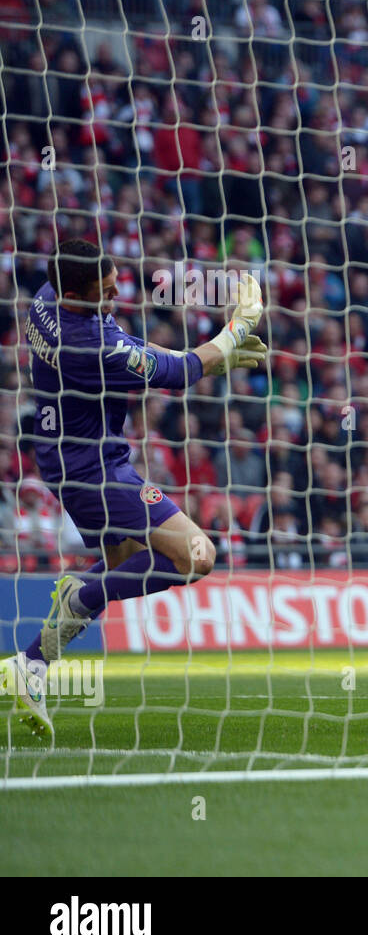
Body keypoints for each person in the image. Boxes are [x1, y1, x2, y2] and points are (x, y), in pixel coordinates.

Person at [3, 238, 266, 738]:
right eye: (105, 290)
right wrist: (236, 330)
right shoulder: (88, 344)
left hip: (66, 457)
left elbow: (140, 351)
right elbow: (176, 371)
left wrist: (215, 359)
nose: (116, 294)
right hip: (96, 470)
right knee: (196, 555)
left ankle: (31, 664)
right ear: (77, 295)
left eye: (115, 281)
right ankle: (81, 594)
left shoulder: (45, 298)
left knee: (126, 565)